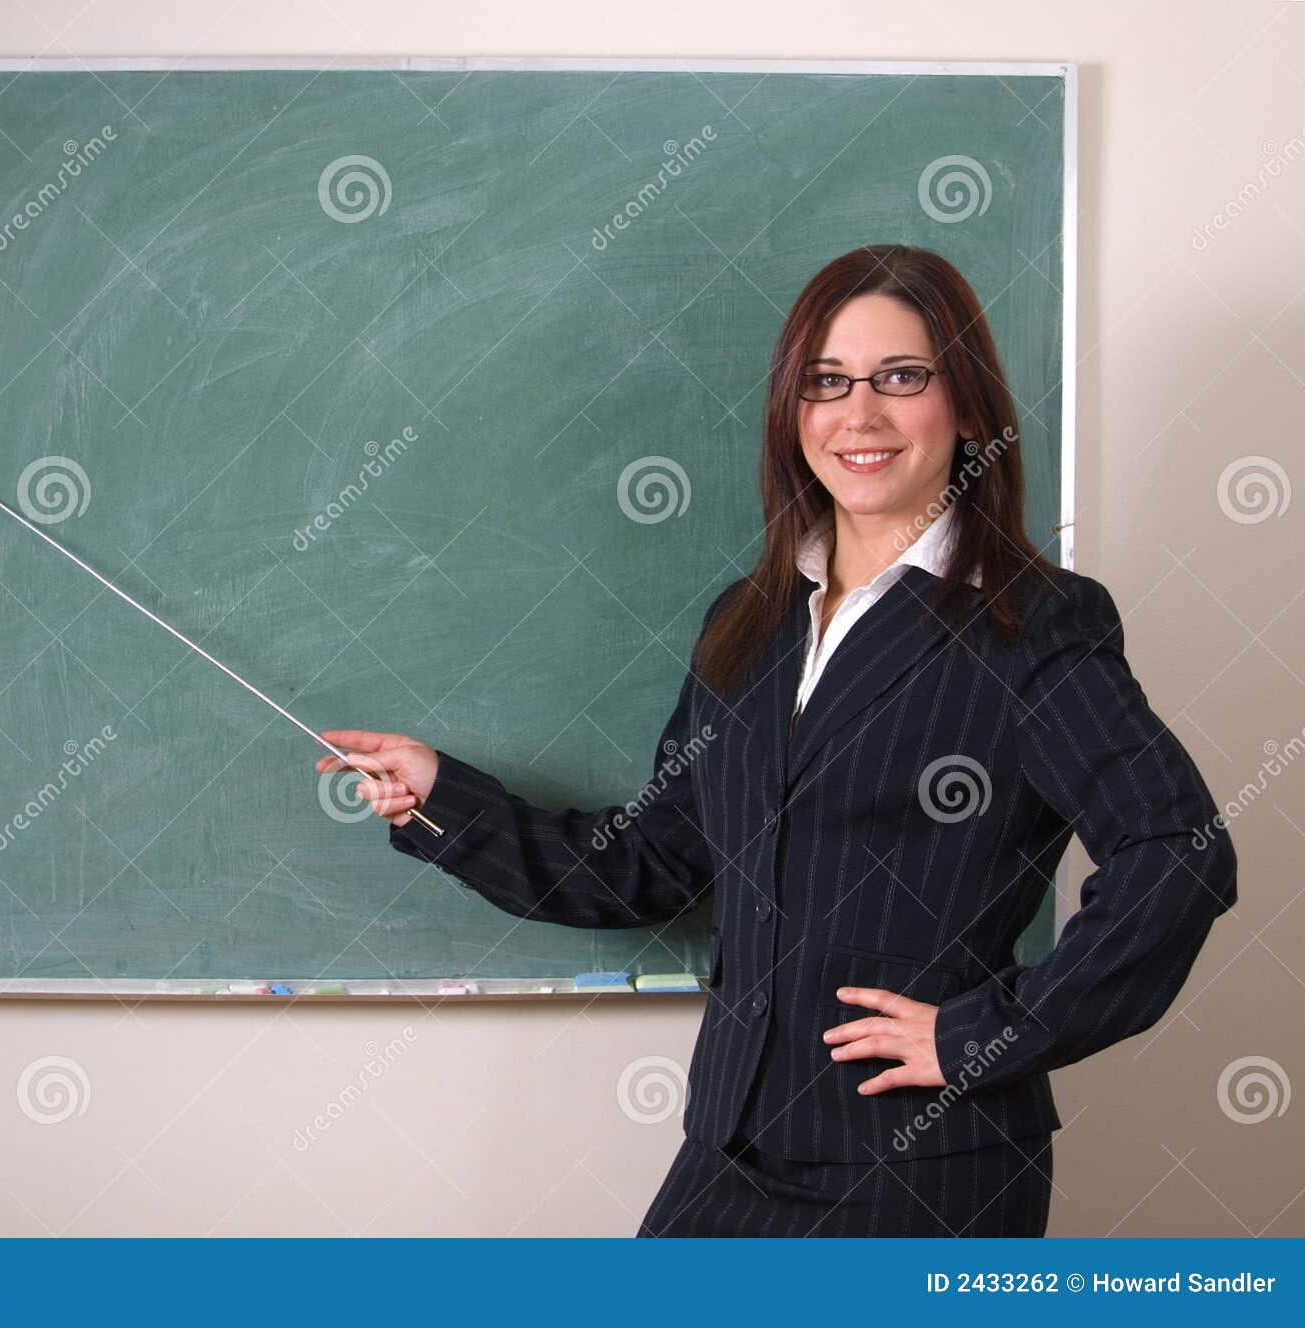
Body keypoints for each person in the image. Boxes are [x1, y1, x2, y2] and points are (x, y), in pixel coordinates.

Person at [311, 244, 1239, 1237]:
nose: (859, 415)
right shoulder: (747, 623)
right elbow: (652, 862)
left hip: (919, 1170)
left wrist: (978, 1033)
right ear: (792, 416)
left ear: (965, 405)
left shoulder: (1030, 624)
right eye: (825, 383)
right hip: (730, 1147)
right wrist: (441, 795)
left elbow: (1176, 856)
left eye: (901, 377)